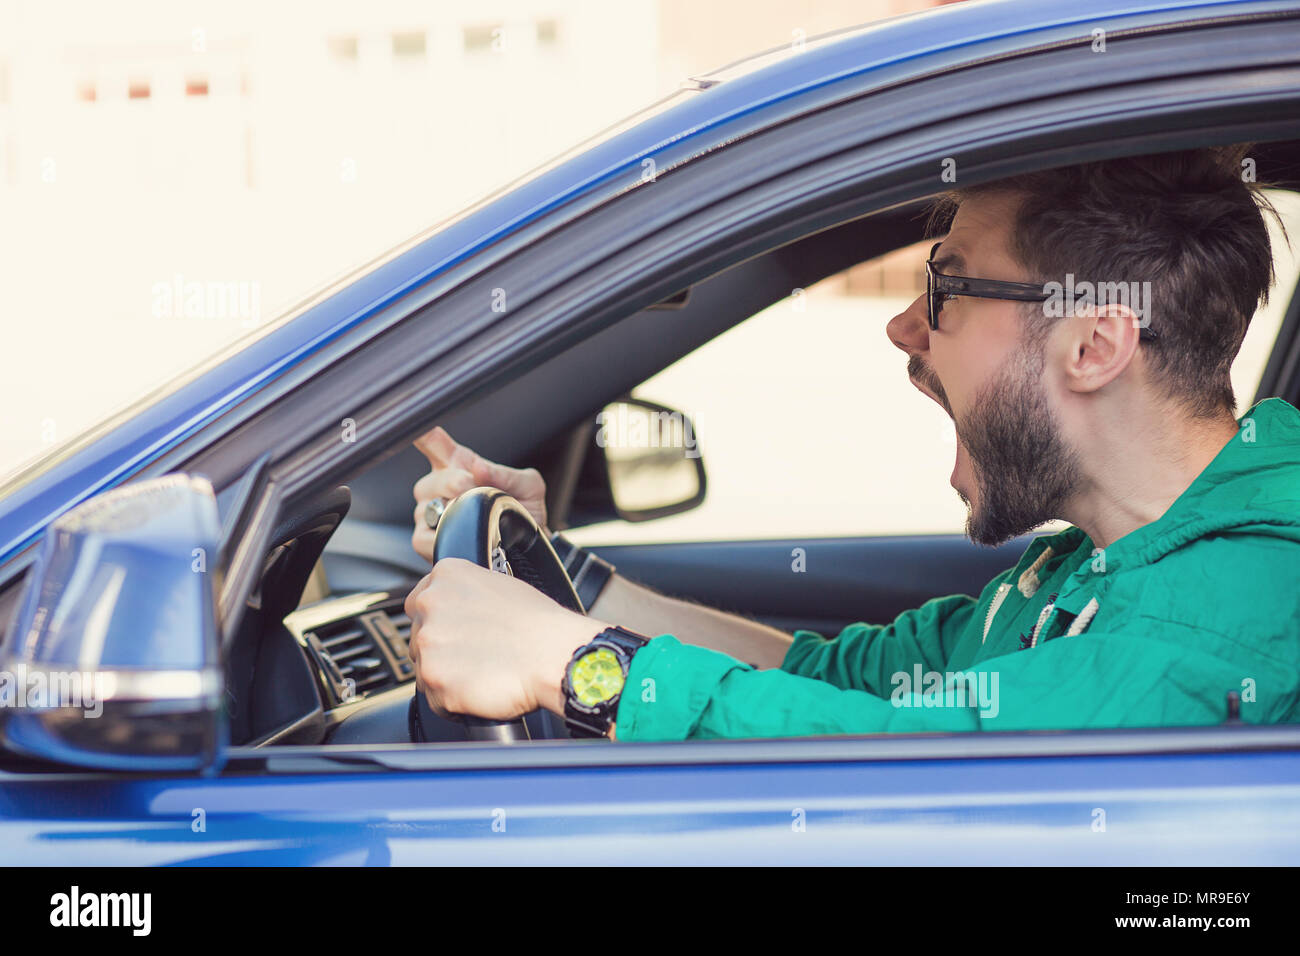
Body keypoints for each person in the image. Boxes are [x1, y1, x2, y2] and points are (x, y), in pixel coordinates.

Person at [404, 146, 1300, 741]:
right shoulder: (1087, 568)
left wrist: (572, 665)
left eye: (947, 290)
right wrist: (563, 578)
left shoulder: (1224, 611)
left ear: (1093, 346)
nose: (905, 327)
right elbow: (836, 684)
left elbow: (919, 770)